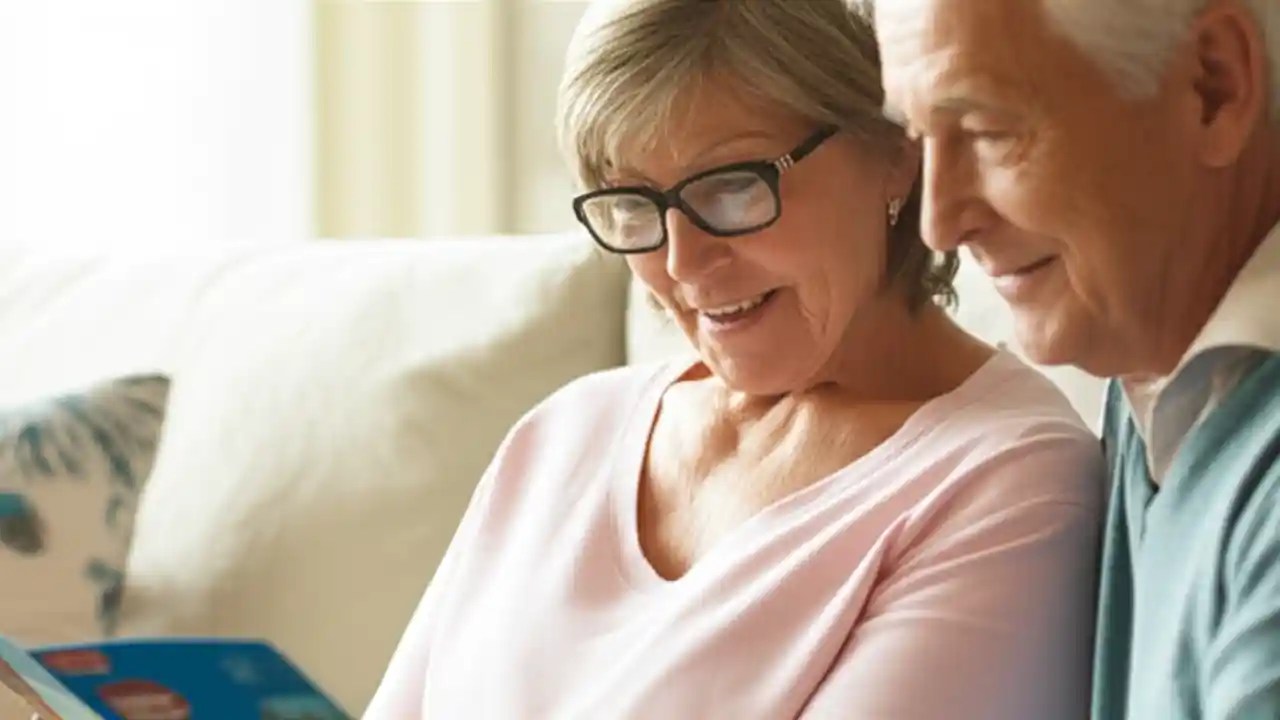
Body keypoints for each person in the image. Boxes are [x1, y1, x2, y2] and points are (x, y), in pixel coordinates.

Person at [365, 1, 1104, 717]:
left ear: (895, 153)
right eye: (633, 203)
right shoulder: (563, 435)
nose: (683, 263)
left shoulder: (1011, 480)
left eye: (730, 188)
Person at [871, 0, 1280, 717]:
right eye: (916, 135)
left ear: (1213, 88)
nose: (937, 223)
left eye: (989, 131)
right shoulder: (1157, 361)